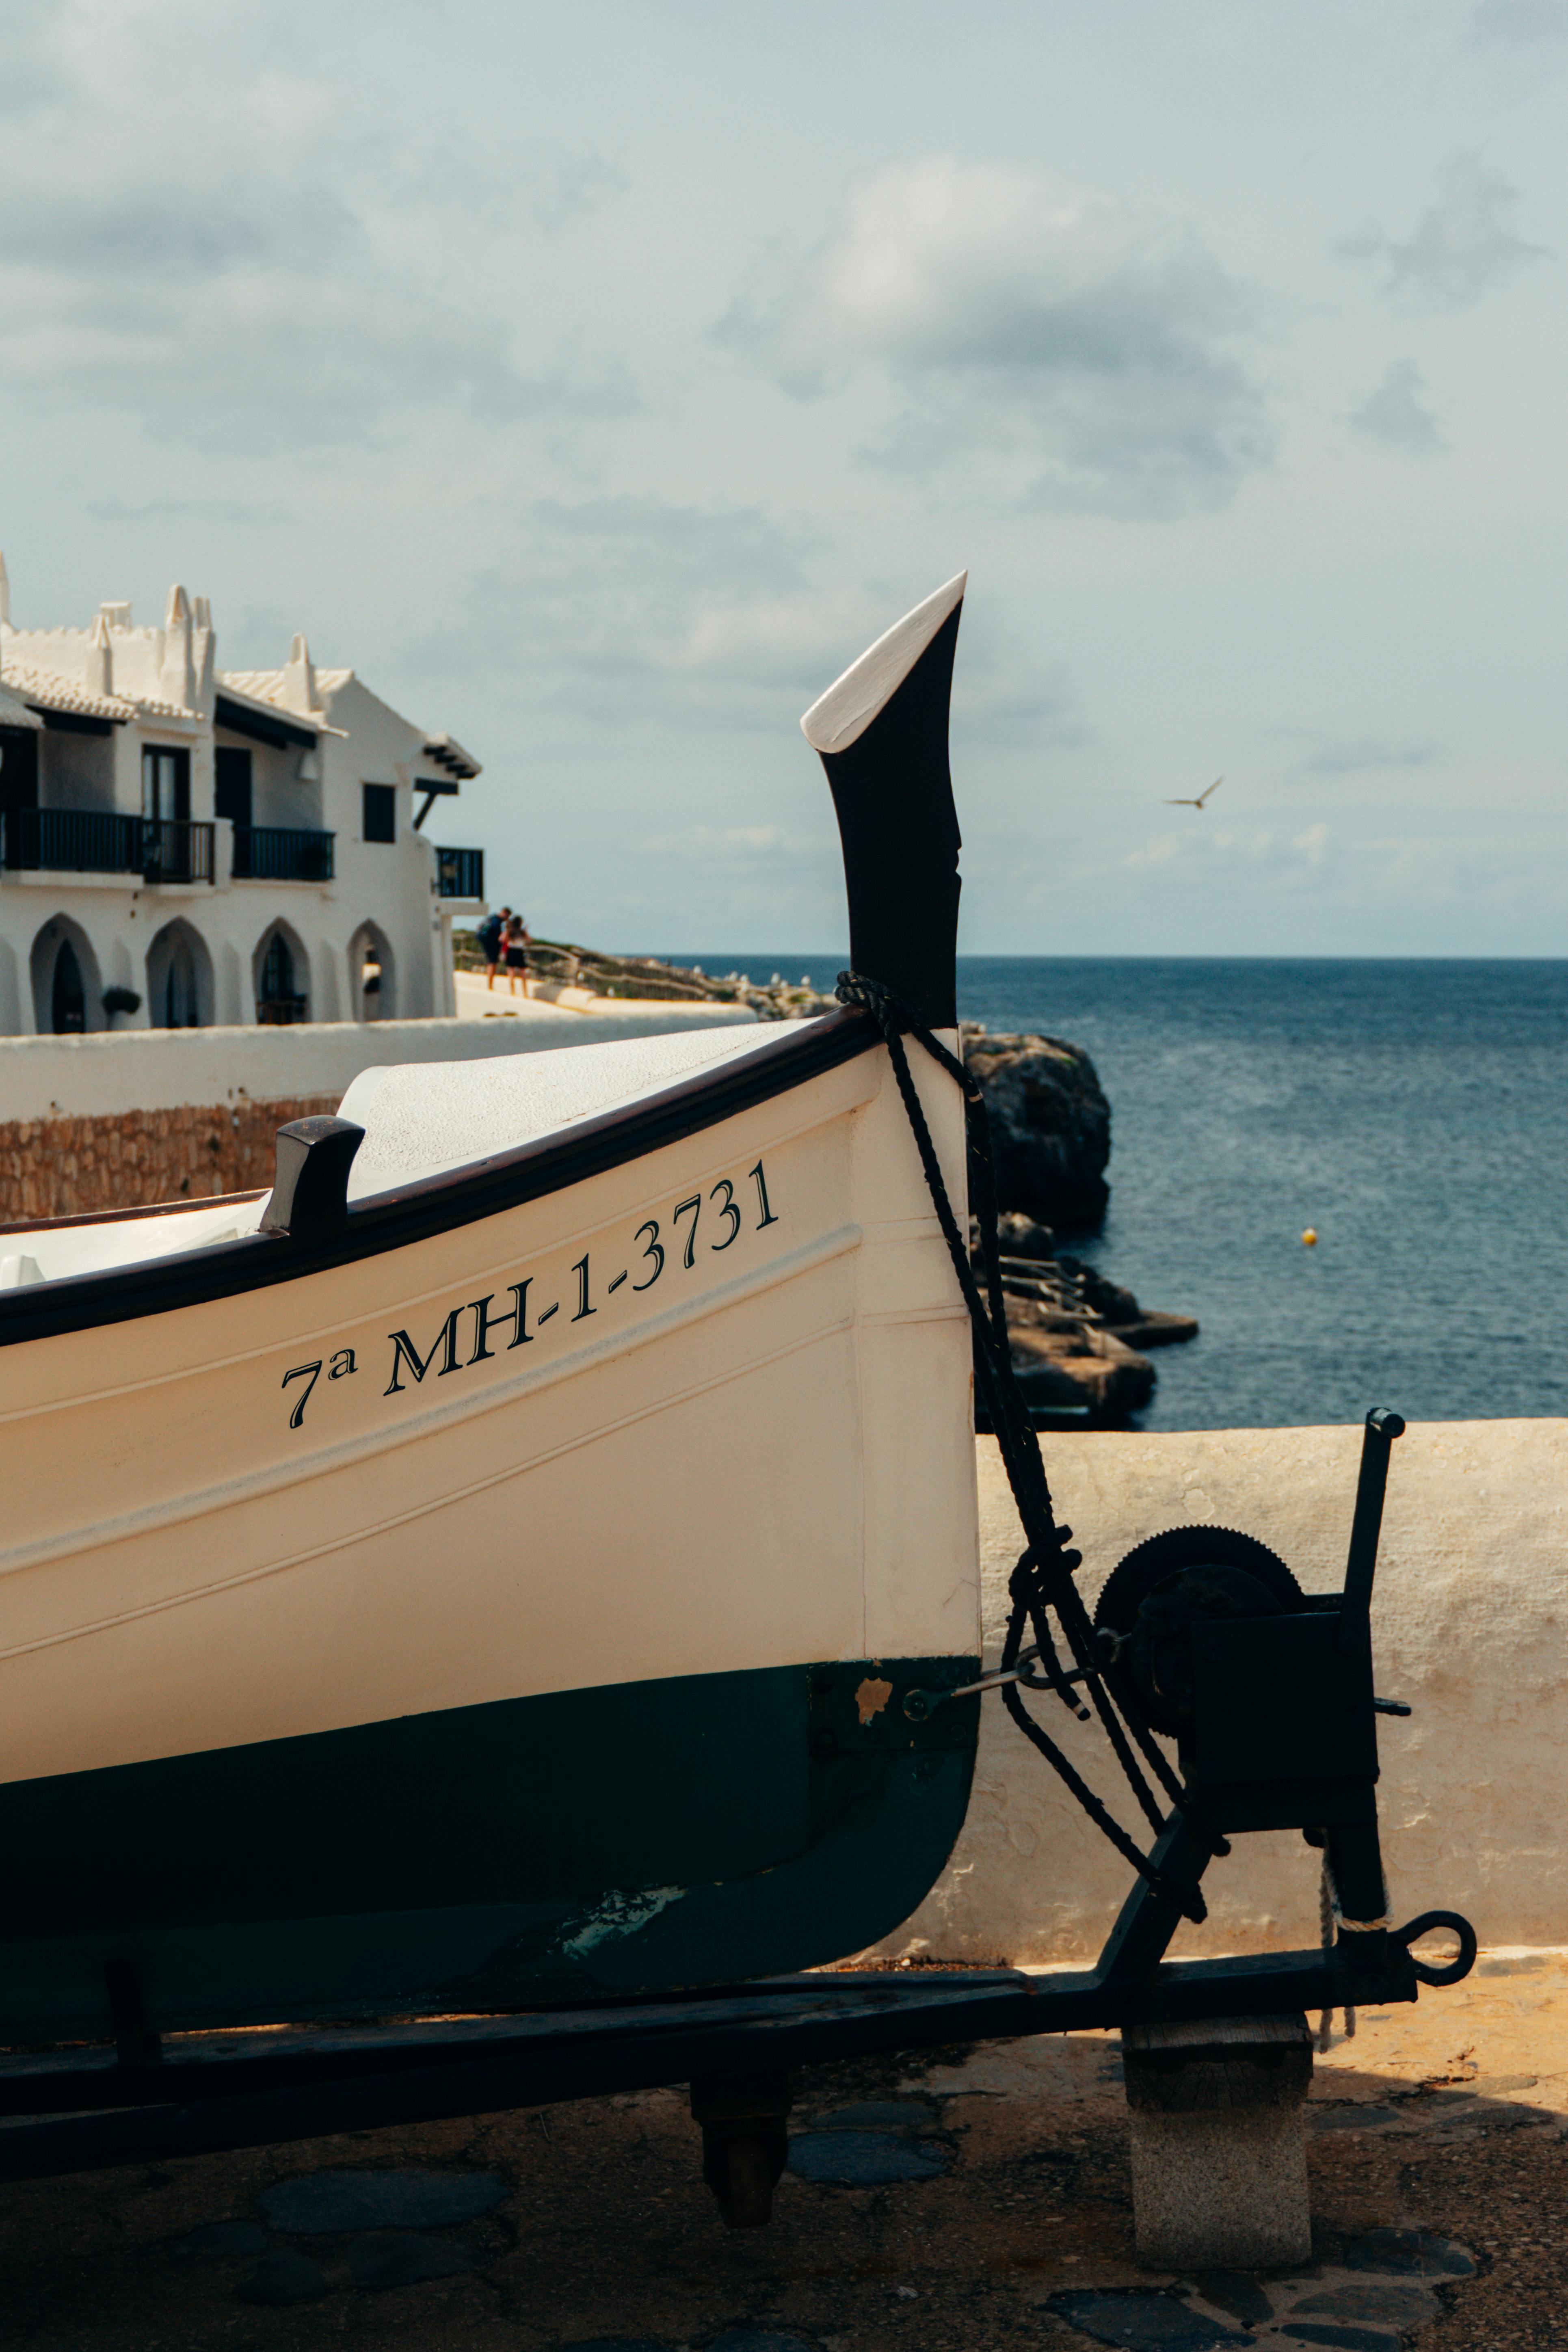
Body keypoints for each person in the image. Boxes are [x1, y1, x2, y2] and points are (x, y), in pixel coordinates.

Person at [504, 912, 532, 998]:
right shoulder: (522, 932)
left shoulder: (510, 931)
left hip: (511, 950)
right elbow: (530, 940)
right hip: (520, 951)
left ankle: (512, 991)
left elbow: (503, 939)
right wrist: (526, 931)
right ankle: (525, 993)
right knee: (523, 972)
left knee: (511, 971)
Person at [478, 906, 507, 990]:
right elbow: (498, 936)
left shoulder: (492, 918)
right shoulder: (497, 921)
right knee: (492, 963)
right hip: (493, 944)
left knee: (490, 962)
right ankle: (490, 985)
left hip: (486, 942)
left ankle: (489, 983)